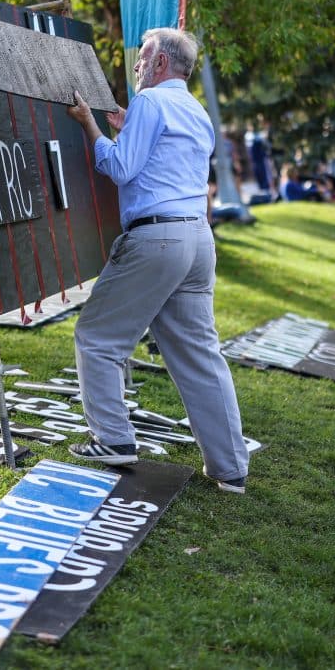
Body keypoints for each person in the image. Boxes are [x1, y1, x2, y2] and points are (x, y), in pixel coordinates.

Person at [65, 27, 249, 493]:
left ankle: (112, 440)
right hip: (197, 240)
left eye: (144, 59)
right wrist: (129, 129)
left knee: (97, 338)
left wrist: (91, 125)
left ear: (163, 63)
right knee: (200, 357)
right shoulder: (197, 112)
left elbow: (122, 168)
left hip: (156, 238)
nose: (138, 67)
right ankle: (231, 469)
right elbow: (164, 163)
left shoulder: (150, 102)